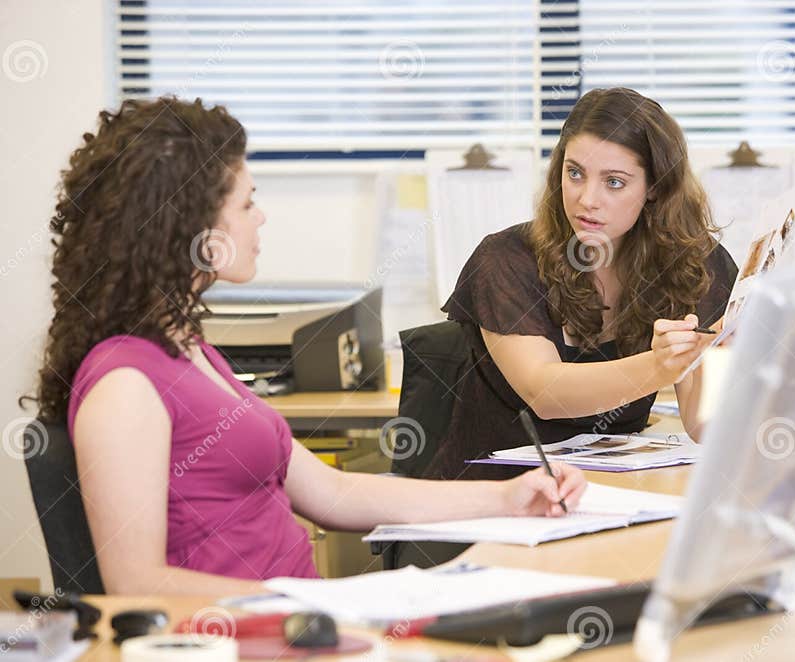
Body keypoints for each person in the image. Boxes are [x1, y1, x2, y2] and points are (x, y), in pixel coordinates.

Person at [27, 97, 586, 595]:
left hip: (304, 617)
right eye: (246, 204)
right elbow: (136, 583)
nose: (261, 217)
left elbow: (334, 493)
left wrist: (511, 498)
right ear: (189, 228)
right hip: (262, 631)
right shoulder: (125, 384)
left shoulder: (191, 352)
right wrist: (306, 609)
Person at [424, 87, 738, 482]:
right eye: (575, 173)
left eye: (614, 182)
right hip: (490, 495)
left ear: (655, 188)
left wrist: (731, 361)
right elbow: (546, 395)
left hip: (611, 491)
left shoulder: (696, 264)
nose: (587, 199)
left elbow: (701, 425)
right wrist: (659, 366)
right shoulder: (505, 259)